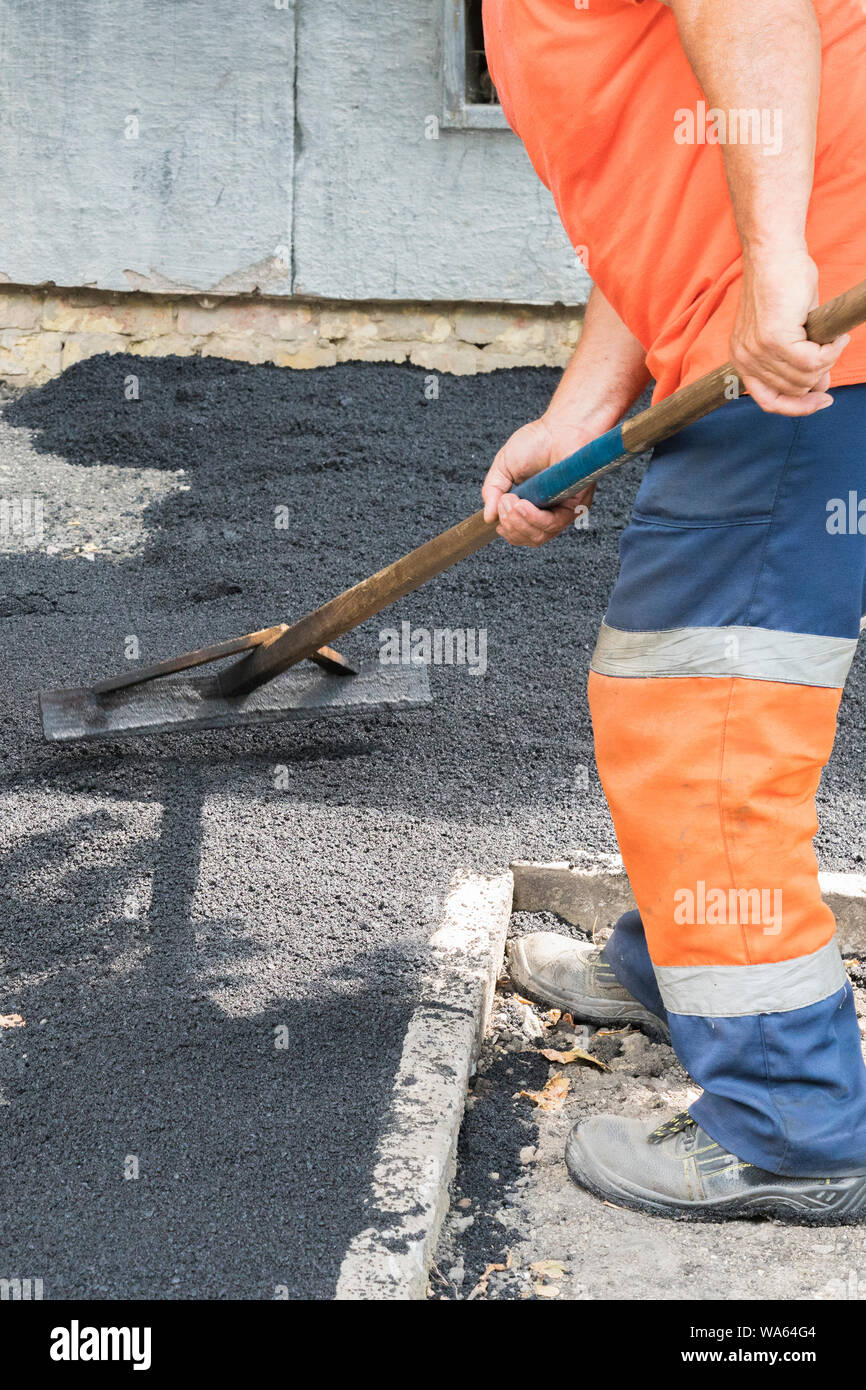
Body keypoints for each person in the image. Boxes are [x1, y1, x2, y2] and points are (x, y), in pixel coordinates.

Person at [481, 0, 866, 1221]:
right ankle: (679, 961)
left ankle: (789, 1123)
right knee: (687, 696)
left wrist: (778, 263)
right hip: (764, 310)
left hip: (802, 342)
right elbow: (671, 183)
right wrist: (583, 411)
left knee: (701, 722)